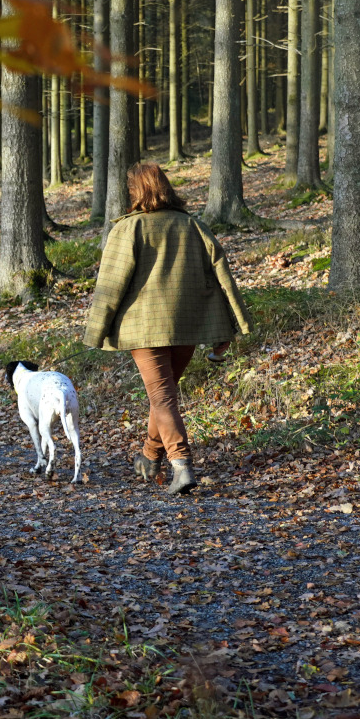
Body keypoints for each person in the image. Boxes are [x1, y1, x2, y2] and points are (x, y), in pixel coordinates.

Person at [80, 163, 252, 494]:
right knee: (164, 396)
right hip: (187, 325)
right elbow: (222, 275)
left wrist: (95, 331)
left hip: (145, 327)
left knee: (162, 396)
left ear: (136, 191)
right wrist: (231, 325)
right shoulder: (193, 225)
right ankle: (148, 455)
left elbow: (111, 285)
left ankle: (182, 465)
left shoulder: (129, 229)